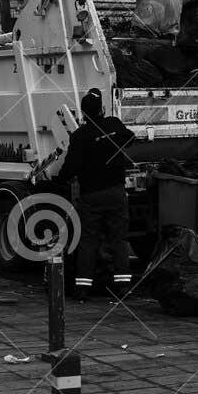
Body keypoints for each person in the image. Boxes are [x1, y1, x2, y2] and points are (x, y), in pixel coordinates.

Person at [53, 88, 136, 300]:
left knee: (88, 241)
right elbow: (130, 138)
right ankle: (123, 287)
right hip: (116, 192)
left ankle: (82, 289)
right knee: (118, 239)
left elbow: (71, 166)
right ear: (102, 109)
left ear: (83, 113)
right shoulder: (115, 125)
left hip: (91, 196)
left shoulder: (80, 136)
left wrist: (59, 181)